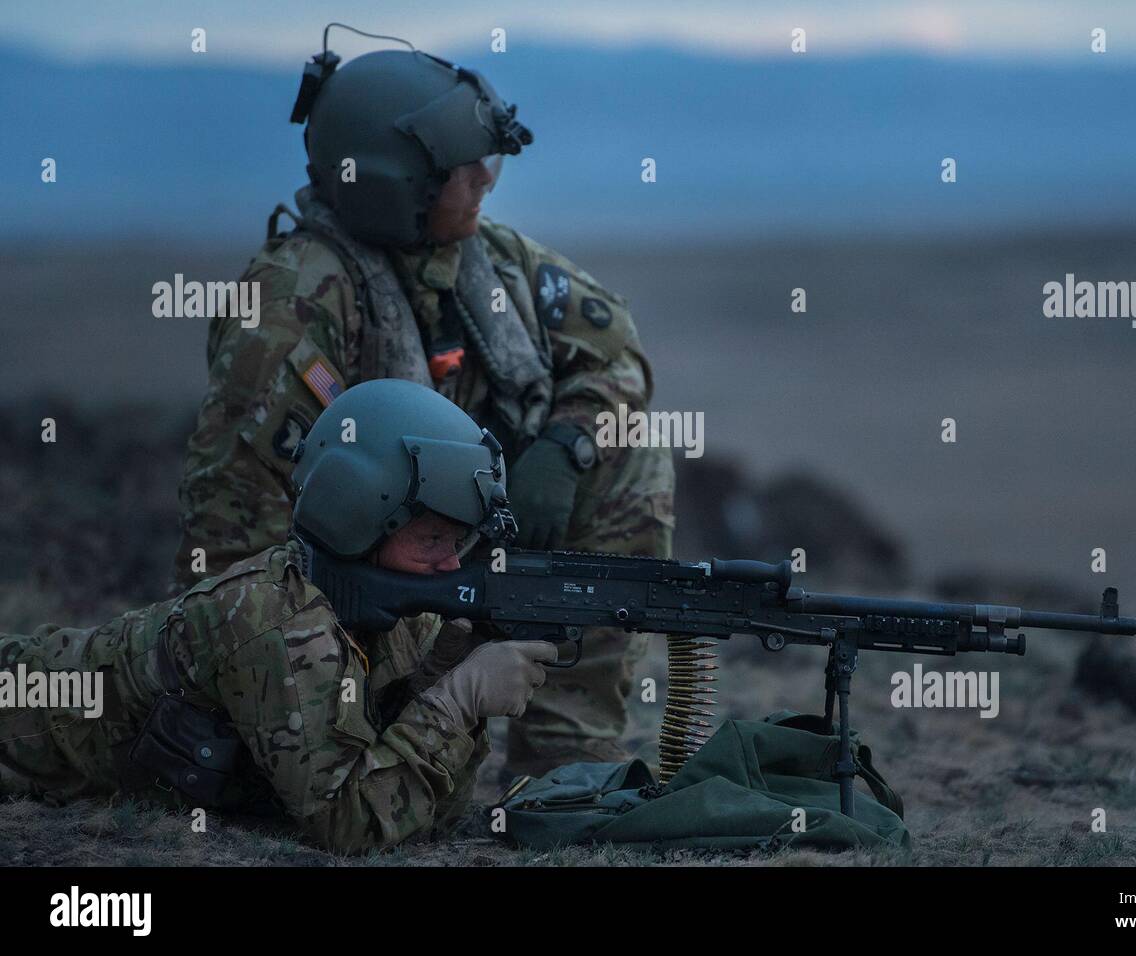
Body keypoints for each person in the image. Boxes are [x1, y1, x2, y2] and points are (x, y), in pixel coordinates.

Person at [173, 28, 674, 778]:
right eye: (462, 168)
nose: (487, 180)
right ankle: (374, 745)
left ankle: (568, 760)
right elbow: (236, 522)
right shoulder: (290, 306)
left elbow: (617, 359)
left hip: (452, 545)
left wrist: (564, 449)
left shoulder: (490, 261)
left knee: (630, 455)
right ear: (394, 184)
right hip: (354, 594)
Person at [0, 380, 557, 853]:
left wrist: (444, 674)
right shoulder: (272, 621)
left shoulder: (397, 612)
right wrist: (454, 702)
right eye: (433, 537)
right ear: (354, 516)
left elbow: (420, 814)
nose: (452, 563)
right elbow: (347, 825)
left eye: (460, 540)